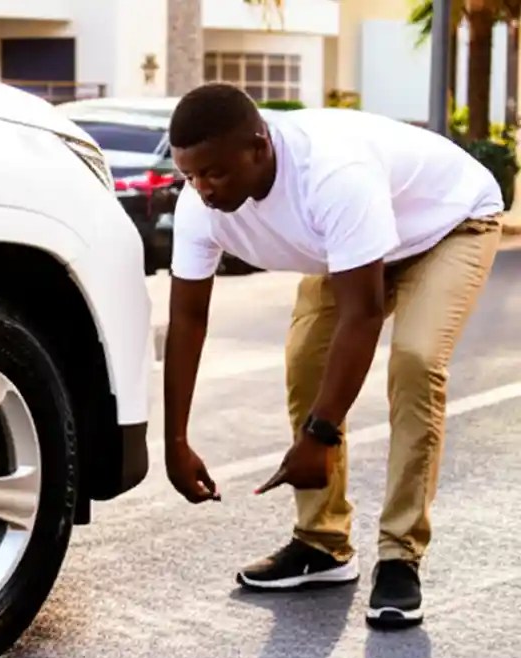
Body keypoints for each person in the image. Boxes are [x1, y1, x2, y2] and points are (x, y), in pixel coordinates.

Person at [162, 82, 503, 630]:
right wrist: (174, 442)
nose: (201, 188)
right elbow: (187, 319)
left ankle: (399, 557)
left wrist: (319, 435)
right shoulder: (200, 205)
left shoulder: (331, 174)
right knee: (305, 359)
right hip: (357, 246)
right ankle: (323, 544)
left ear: (259, 146)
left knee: (415, 362)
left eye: (215, 174)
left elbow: (362, 314)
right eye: (190, 175)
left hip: (449, 224)